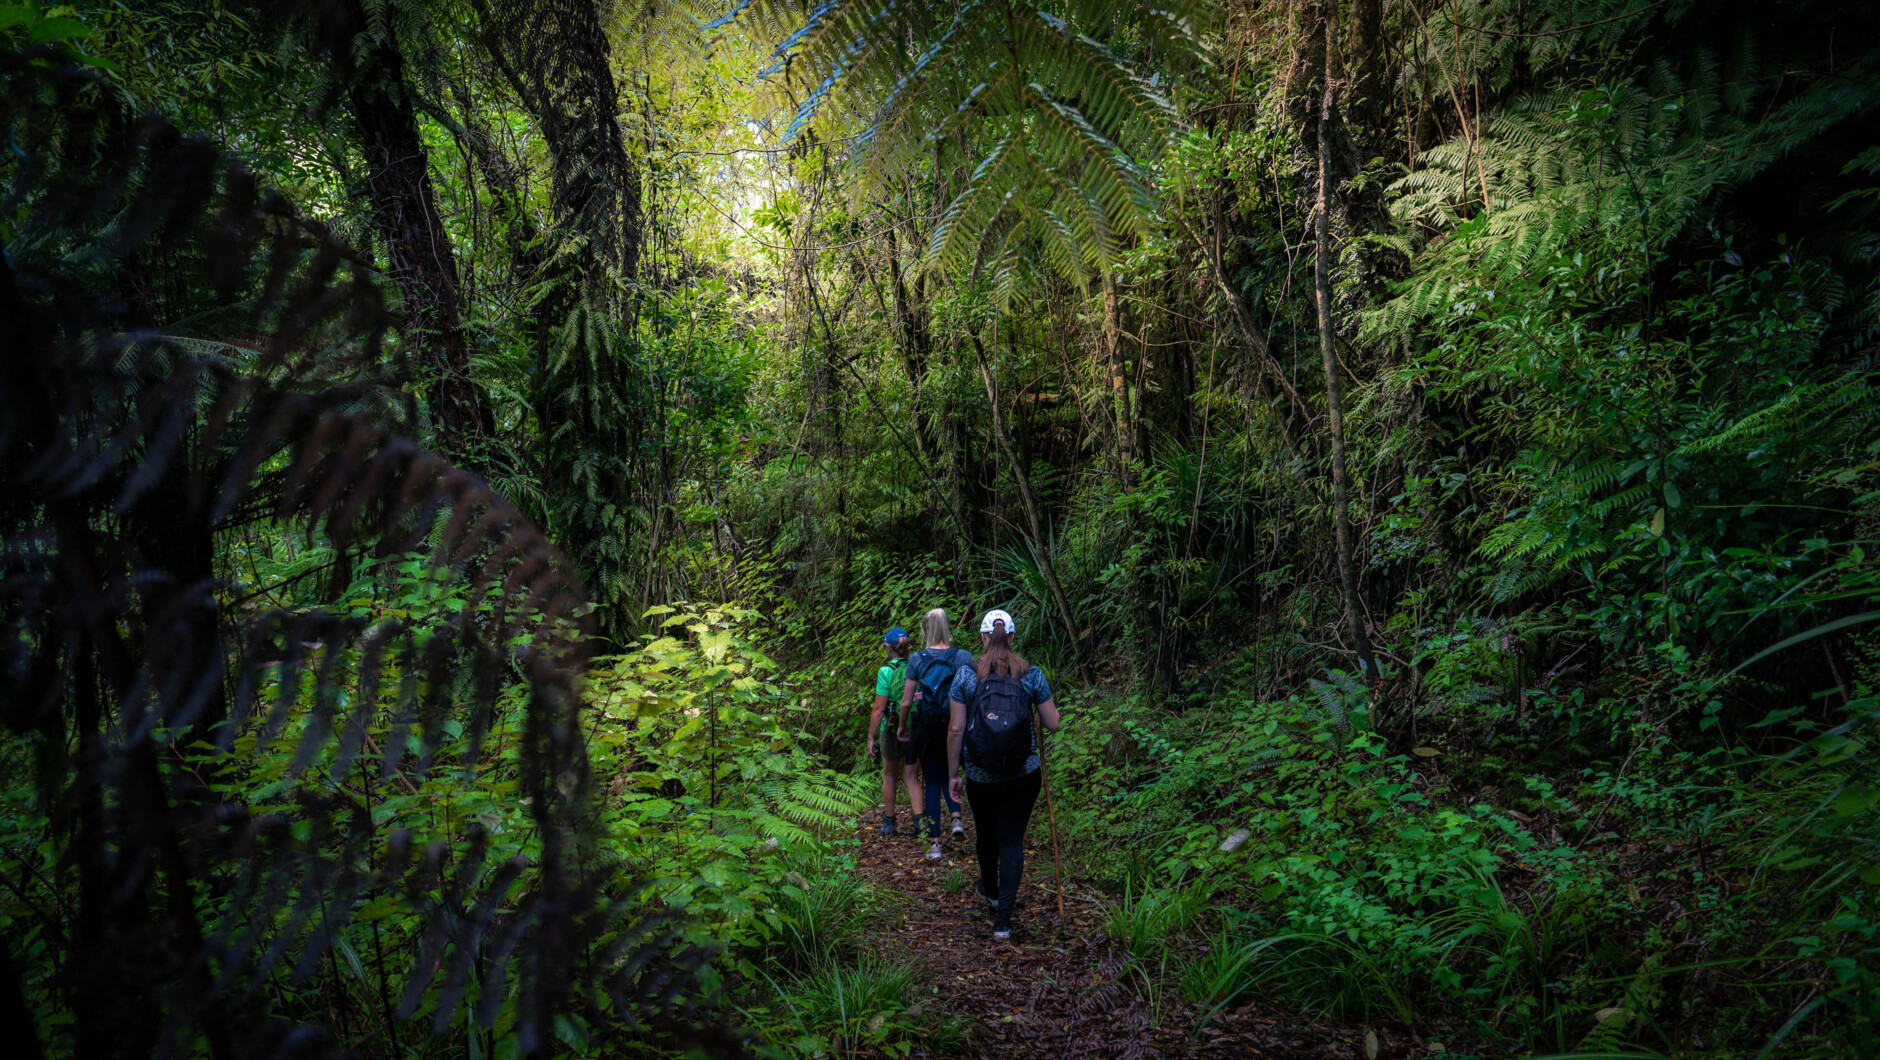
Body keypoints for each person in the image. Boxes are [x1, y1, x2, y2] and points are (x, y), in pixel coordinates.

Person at [947, 609, 1059, 940]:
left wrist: (954, 773)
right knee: (1011, 840)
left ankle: (992, 892)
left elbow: (955, 729)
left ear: (983, 637)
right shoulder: (1031, 673)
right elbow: (1053, 723)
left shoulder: (967, 675)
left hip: (980, 775)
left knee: (986, 835)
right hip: (1024, 773)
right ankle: (1004, 922)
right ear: (1012, 636)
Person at [904, 608, 973, 861]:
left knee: (932, 782)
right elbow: (972, 693)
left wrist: (903, 726)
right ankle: (956, 818)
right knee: (951, 773)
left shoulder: (917, 659)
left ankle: (934, 845)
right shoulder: (963, 656)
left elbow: (906, 701)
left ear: (925, 630)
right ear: (948, 628)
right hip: (956, 725)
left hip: (928, 729)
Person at [868, 627, 924, 835]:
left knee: (890, 774)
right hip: (914, 726)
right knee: (911, 776)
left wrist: (870, 736)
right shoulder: (916, 667)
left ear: (888, 648)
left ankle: (889, 823)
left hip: (891, 729)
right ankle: (920, 824)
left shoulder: (885, 671)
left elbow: (879, 708)